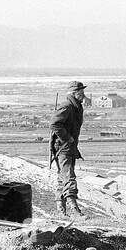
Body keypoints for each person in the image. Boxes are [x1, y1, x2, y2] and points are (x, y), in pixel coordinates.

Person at [50, 81, 88, 216]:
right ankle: (74, 209)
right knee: (68, 176)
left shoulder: (76, 107)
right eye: (81, 92)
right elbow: (54, 124)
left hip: (69, 147)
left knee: (62, 178)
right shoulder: (67, 106)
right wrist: (67, 137)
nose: (83, 94)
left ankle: (61, 210)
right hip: (63, 148)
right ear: (74, 93)